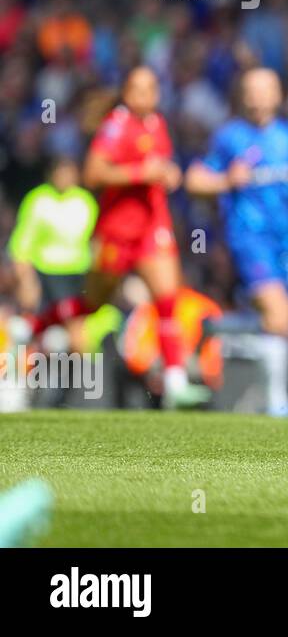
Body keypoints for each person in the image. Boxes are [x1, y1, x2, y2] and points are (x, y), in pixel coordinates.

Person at [25, 66, 208, 409]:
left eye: (151, 88)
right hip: (118, 231)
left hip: (152, 226)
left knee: (168, 298)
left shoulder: (156, 123)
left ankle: (175, 381)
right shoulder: (116, 125)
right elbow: (93, 173)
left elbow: (159, 165)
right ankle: (34, 323)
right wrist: (142, 173)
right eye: (138, 89)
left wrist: (169, 174)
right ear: (126, 93)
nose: (146, 95)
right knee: (93, 305)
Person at [185, 68, 288, 416]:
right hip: (249, 237)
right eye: (254, 90)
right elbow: (194, 180)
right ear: (243, 96)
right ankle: (277, 402)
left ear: (279, 95)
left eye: (268, 90)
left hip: (285, 239)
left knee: (282, 322)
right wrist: (225, 181)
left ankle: (215, 332)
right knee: (278, 315)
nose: (261, 97)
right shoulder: (230, 137)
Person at [8, 156, 97, 334]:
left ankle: (80, 360)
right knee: (45, 331)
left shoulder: (86, 202)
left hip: (78, 275)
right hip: (47, 275)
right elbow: (21, 245)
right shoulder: (38, 200)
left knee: (78, 329)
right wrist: (26, 282)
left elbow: (95, 241)